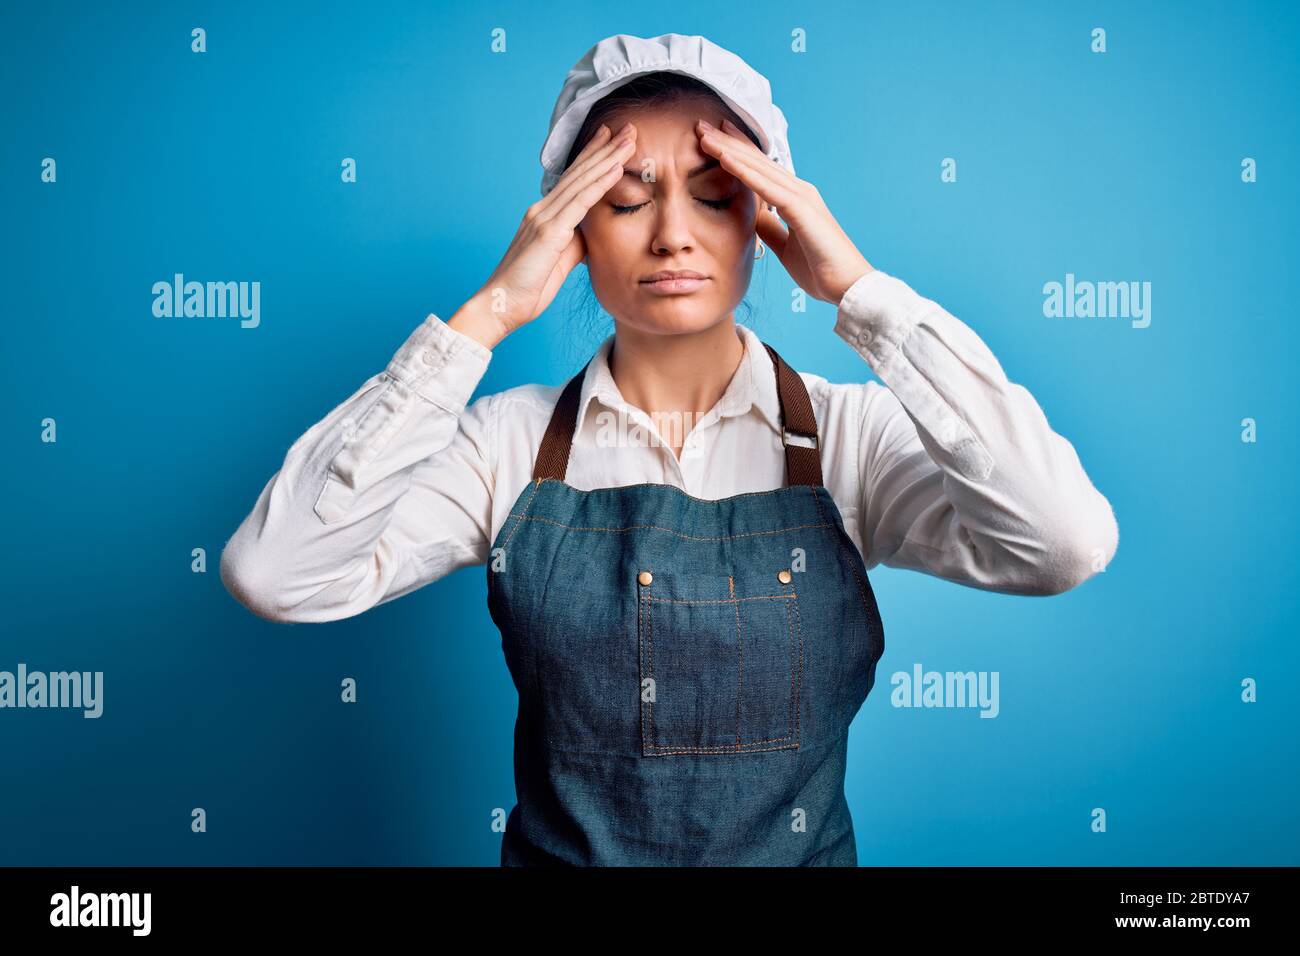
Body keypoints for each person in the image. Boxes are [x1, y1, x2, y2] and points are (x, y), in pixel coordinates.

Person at [220, 34, 1119, 866]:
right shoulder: (509, 443)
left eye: (715, 193)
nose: (672, 234)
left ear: (765, 222)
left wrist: (861, 293)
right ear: (569, 229)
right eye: (624, 198)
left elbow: (1062, 543)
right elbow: (277, 573)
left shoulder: (851, 439)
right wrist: (488, 313)